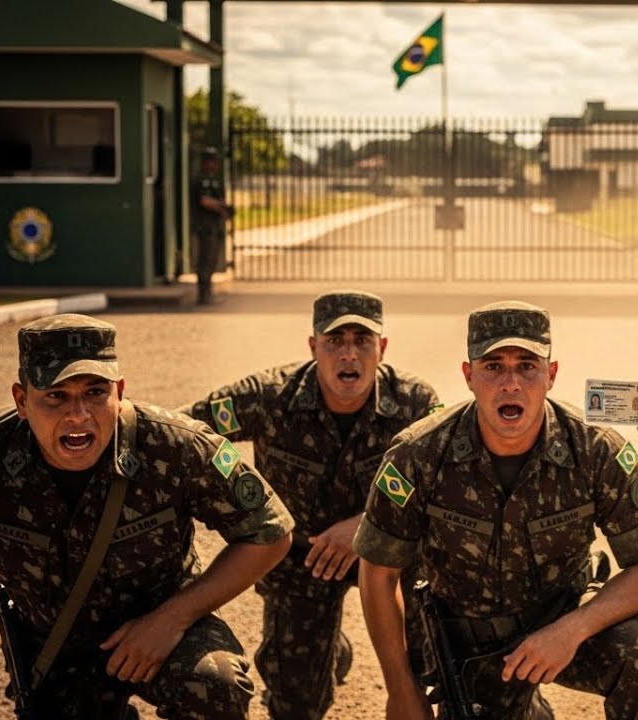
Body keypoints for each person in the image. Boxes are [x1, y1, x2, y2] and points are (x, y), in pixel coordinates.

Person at [0, 313, 294, 719]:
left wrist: (172, 619)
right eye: (56, 396)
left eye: (95, 392)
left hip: (165, 626)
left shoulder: (173, 446)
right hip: (56, 647)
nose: (79, 415)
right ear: (21, 400)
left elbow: (270, 532)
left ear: (119, 391)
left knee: (215, 687)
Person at [355, 300, 638, 720]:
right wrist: (401, 690)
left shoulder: (595, 449)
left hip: (563, 616)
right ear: (469, 376)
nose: (511, 383)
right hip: (467, 643)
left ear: (551, 374)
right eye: (493, 367)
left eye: (527, 365)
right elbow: (378, 574)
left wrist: (571, 630)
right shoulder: (418, 454)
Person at [179, 290, 441, 720]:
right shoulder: (269, 396)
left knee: (427, 667)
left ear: (383, 348)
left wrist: (364, 527)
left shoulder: (415, 404)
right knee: (295, 702)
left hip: (392, 550)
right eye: (335, 341)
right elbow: (182, 435)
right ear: (313, 347)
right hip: (302, 558)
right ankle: (328, 649)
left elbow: (446, 481)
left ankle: (350, 651)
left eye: (362, 340)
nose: (349, 354)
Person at [193, 146, 233, 305]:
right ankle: (202, 293)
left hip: (215, 227)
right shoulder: (200, 179)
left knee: (212, 260)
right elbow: (204, 201)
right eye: (212, 161)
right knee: (204, 259)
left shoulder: (215, 180)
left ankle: (208, 291)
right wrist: (220, 206)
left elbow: (219, 202)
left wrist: (224, 209)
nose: (214, 165)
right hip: (205, 227)